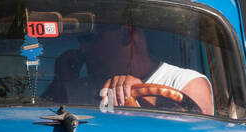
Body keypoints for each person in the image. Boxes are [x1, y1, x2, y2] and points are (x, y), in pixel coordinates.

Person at [80, 23, 214, 114]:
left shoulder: (185, 82)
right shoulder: (85, 87)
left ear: (127, 35)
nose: (83, 49)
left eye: (92, 38)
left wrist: (143, 94)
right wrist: (62, 77)